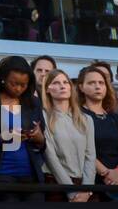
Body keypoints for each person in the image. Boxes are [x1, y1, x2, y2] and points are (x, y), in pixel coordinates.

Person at [0, 56, 46, 201]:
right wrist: (3, 137)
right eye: (14, 83)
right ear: (3, 79)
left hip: (32, 176)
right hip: (1, 175)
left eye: (23, 85)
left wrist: (39, 138)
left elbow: (43, 143)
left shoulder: (34, 103)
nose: (18, 88)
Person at [77, 65, 118, 201]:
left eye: (101, 83)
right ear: (81, 87)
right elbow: (83, 151)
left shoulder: (115, 117)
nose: (97, 86)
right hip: (94, 183)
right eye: (91, 83)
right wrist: (107, 174)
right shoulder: (77, 115)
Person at [40, 69, 95, 202]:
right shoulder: (43, 116)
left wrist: (86, 190)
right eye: (56, 83)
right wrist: (72, 192)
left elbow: (90, 156)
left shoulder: (86, 119)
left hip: (83, 184)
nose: (62, 86)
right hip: (55, 184)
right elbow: (50, 156)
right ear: (47, 89)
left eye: (66, 82)